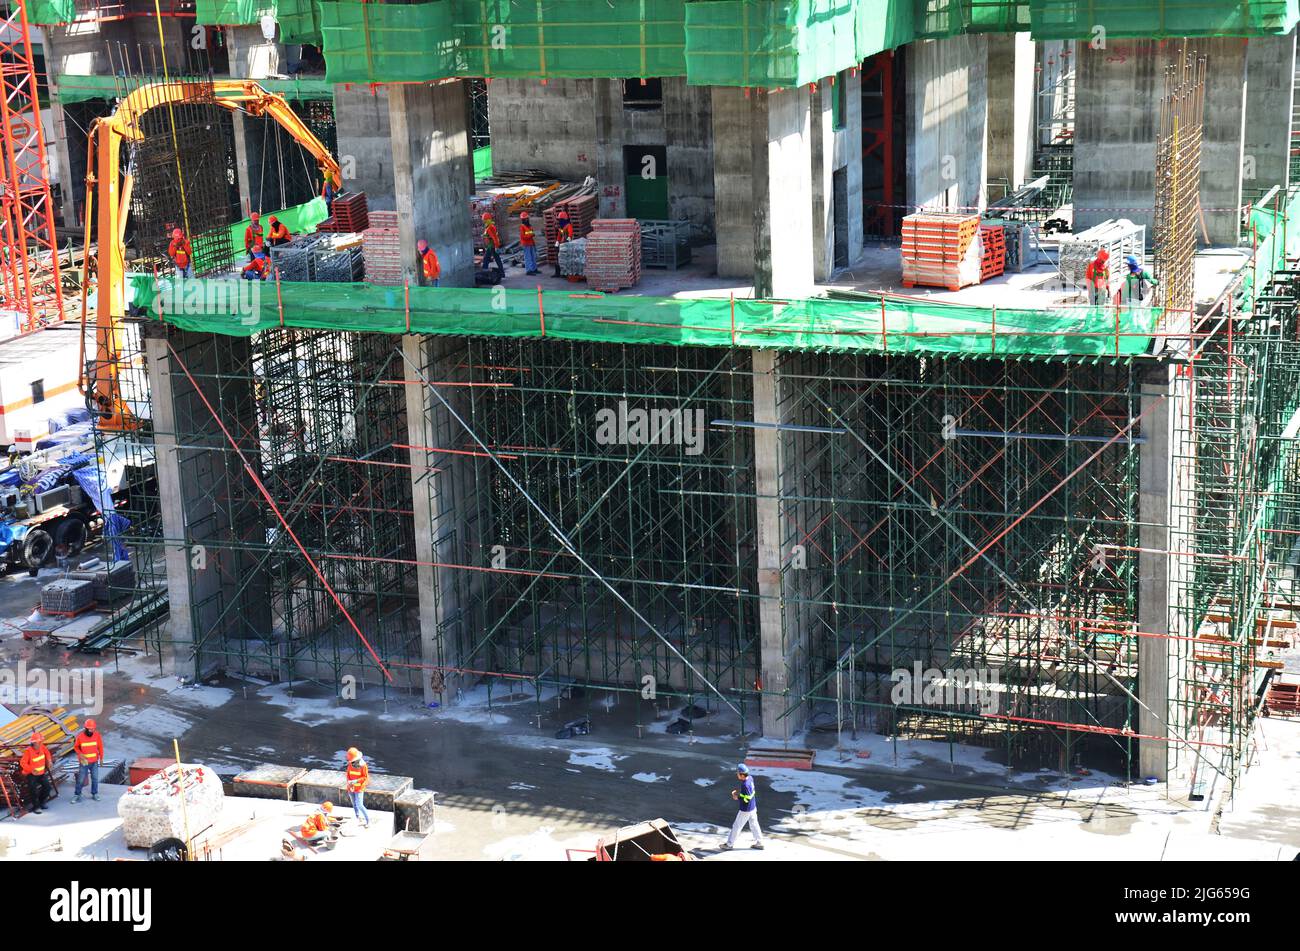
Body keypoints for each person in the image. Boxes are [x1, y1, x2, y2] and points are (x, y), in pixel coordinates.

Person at [724, 763, 764, 850]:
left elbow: (746, 799)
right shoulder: (750, 778)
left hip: (746, 809)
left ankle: (729, 844)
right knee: (754, 824)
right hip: (753, 807)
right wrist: (740, 793)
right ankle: (760, 842)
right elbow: (748, 794)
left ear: (742, 775)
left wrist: (736, 797)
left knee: (737, 826)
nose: (737, 774)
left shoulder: (745, 785)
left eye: (738, 773)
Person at [20, 732, 54, 815]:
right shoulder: (28, 751)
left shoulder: (42, 747)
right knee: (33, 791)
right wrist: (32, 770)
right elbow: (23, 763)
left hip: (41, 773)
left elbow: (47, 753)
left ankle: (42, 802)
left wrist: (49, 761)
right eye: (39, 742)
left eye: (40, 742)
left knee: (48, 787)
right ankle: (36, 807)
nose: (41, 743)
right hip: (31, 774)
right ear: (34, 743)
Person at [72, 718, 104, 803]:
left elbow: (100, 747)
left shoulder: (97, 735)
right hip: (84, 762)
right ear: (86, 728)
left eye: (93, 729)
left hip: (94, 762)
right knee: (81, 779)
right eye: (90, 729)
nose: (91, 731)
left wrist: (101, 758)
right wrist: (80, 754)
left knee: (95, 779)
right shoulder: (80, 736)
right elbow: (76, 747)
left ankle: (95, 794)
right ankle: (77, 794)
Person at [345, 747, 370, 828]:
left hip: (359, 788)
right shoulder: (350, 764)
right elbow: (348, 775)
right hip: (351, 788)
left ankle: (368, 821)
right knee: (354, 803)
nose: (351, 762)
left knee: (359, 804)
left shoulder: (363, 766)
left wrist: (355, 781)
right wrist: (350, 784)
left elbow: (365, 778)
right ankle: (358, 817)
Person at [552, 209, 573, 279]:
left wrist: (567, 241)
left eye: (560, 220)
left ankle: (565, 273)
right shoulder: (561, 227)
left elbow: (570, 235)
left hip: (567, 245)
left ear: (564, 219)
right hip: (561, 244)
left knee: (565, 260)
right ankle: (557, 273)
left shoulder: (568, 226)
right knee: (558, 258)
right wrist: (557, 242)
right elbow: (559, 235)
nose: (559, 221)